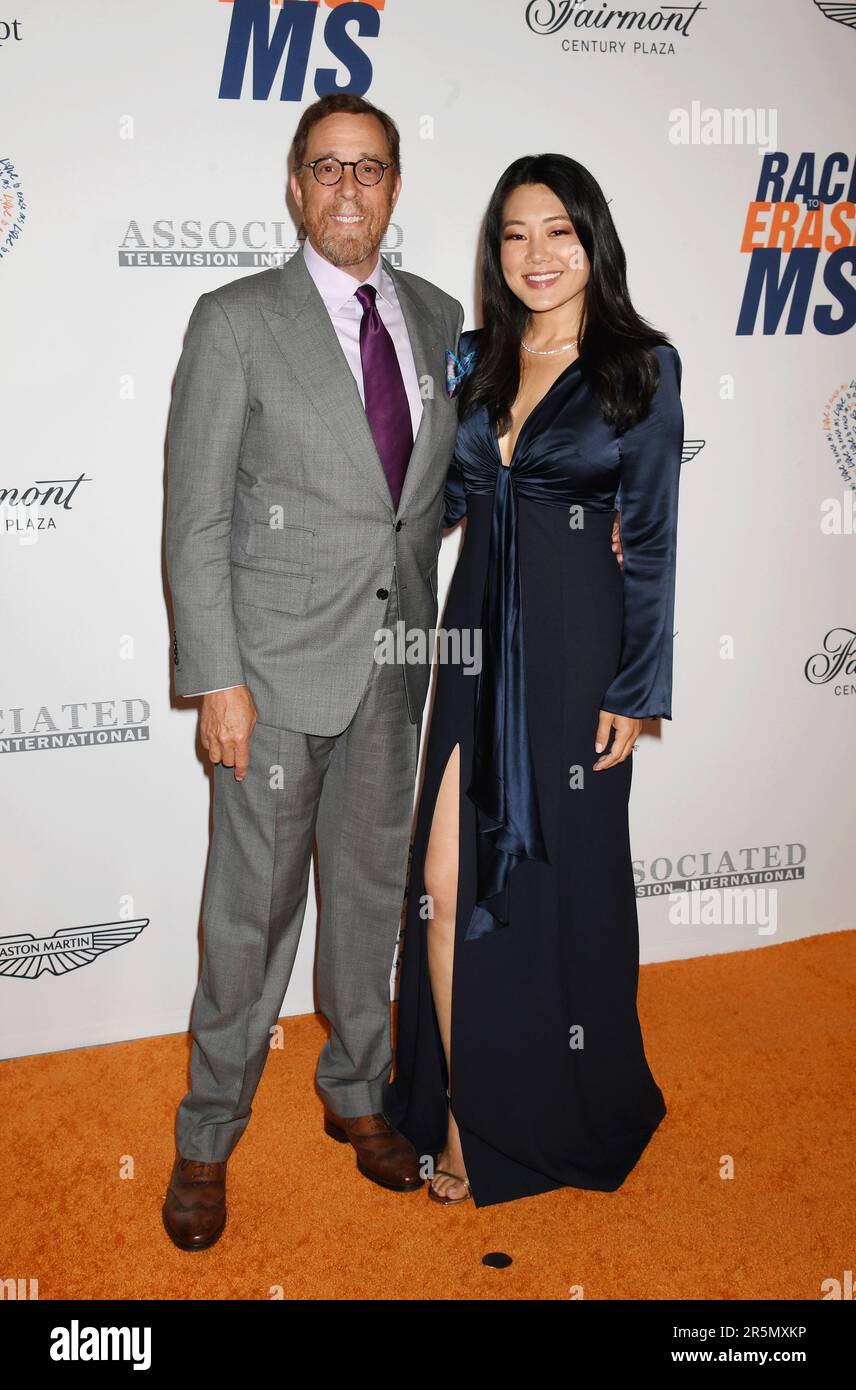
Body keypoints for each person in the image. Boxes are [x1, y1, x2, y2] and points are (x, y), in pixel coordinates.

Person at [161, 92, 467, 1250]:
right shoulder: (235, 318)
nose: (349, 187)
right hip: (273, 681)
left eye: (370, 168)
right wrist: (216, 679)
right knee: (249, 920)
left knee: (369, 905)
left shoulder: (441, 319)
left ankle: (357, 1094)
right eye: (326, 168)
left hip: (392, 669)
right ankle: (204, 1134)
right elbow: (194, 518)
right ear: (295, 188)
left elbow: (448, 491)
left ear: (394, 188)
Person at [383, 153, 684, 1207]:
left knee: (562, 889)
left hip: (575, 652)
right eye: (514, 234)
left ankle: (552, 1101)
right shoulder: (478, 356)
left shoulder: (639, 365)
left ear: (591, 238)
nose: (536, 254)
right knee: (442, 882)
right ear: (493, 250)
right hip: (474, 633)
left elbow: (648, 537)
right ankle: (466, 1106)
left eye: (557, 231)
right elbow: (447, 502)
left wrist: (636, 686)